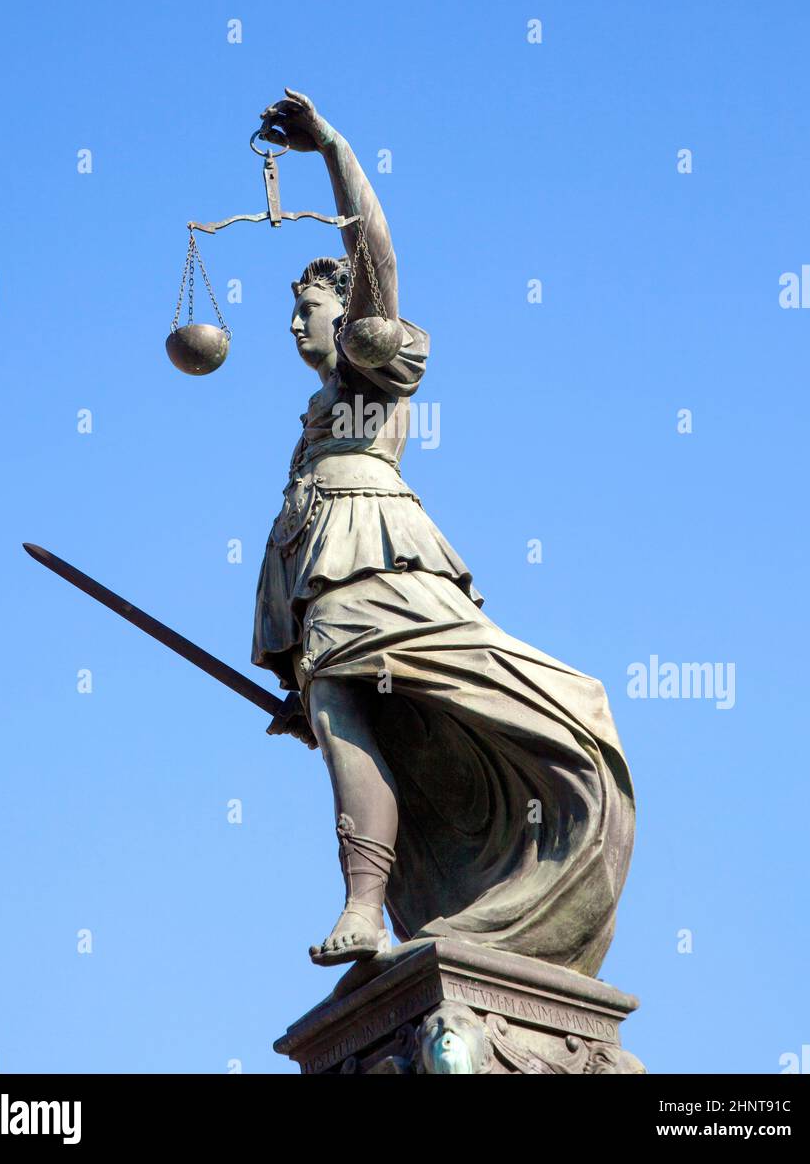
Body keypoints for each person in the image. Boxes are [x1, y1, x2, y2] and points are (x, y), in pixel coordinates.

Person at [252, 90, 635, 973]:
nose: (293, 322)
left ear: (342, 309)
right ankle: (369, 907)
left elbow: (375, 255)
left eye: (306, 305)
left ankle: (361, 905)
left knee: (350, 701)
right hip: (329, 579)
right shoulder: (314, 416)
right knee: (349, 712)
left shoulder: (369, 357)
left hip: (377, 564)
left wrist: (332, 150)